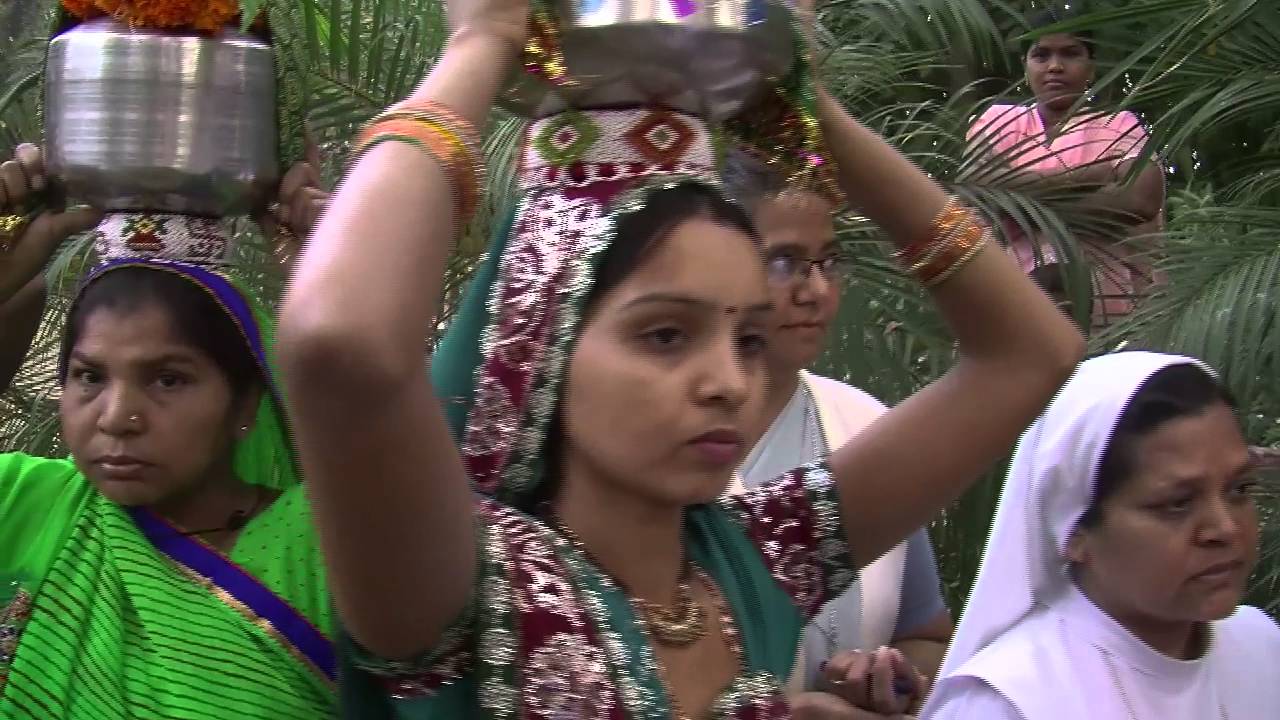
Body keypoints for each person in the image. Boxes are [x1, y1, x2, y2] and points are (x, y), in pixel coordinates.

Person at [274, 0, 1084, 714]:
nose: (729, 383)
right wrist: (479, 45)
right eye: (665, 335)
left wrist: (812, 108)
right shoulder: (464, 588)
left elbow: (1032, 353)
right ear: (540, 338)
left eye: (748, 337)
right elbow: (338, 343)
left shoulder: (752, 563)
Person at [0, 144, 336, 718]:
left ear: (244, 403)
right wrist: (14, 254)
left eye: (168, 380)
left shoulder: (322, 543)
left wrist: (338, 281)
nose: (116, 417)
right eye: (88, 376)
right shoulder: (28, 503)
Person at [922, 351, 1280, 719]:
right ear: (1075, 532)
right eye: (1177, 504)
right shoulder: (1009, 703)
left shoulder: (1259, 647)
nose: (1225, 528)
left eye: (1239, 490)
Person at [722, 149, 952, 717]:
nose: (817, 291)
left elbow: (927, 635)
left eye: (829, 262)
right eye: (784, 263)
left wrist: (889, 676)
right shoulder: (651, 444)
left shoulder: (867, 427)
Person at [965, 8, 1166, 328]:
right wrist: (1099, 174)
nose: (1055, 66)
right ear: (1025, 66)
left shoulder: (1119, 125)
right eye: (1041, 55)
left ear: (1092, 66)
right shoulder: (997, 121)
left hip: (1107, 310)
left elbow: (1141, 200)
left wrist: (1022, 205)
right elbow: (982, 190)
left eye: (1070, 54)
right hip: (1007, 308)